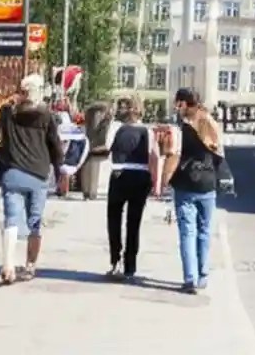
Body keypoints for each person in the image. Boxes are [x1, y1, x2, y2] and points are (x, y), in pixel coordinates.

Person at [0, 74, 62, 285]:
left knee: (11, 218)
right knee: (35, 221)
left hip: (12, 172)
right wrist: (59, 170)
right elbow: (55, 145)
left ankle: (8, 266)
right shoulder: (46, 115)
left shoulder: (8, 113)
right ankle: (30, 266)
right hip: (38, 174)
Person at [163, 90, 222, 294]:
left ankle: (190, 279)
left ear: (182, 104)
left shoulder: (179, 128)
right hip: (208, 182)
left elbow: (173, 155)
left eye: (177, 103)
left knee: (187, 231)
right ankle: (203, 276)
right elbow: (219, 151)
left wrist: (164, 181)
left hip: (185, 182)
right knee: (204, 231)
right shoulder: (210, 124)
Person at [106, 97, 160, 281]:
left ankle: (115, 260)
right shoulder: (148, 131)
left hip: (119, 174)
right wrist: (156, 182)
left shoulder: (116, 128)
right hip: (140, 176)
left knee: (114, 219)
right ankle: (130, 266)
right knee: (134, 223)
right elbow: (154, 156)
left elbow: (106, 147)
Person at [79, 102, 114, 200]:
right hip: (91, 152)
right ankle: (88, 192)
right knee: (90, 163)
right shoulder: (86, 126)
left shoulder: (107, 125)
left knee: (92, 163)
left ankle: (91, 192)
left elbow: (108, 143)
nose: (97, 116)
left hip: (99, 152)